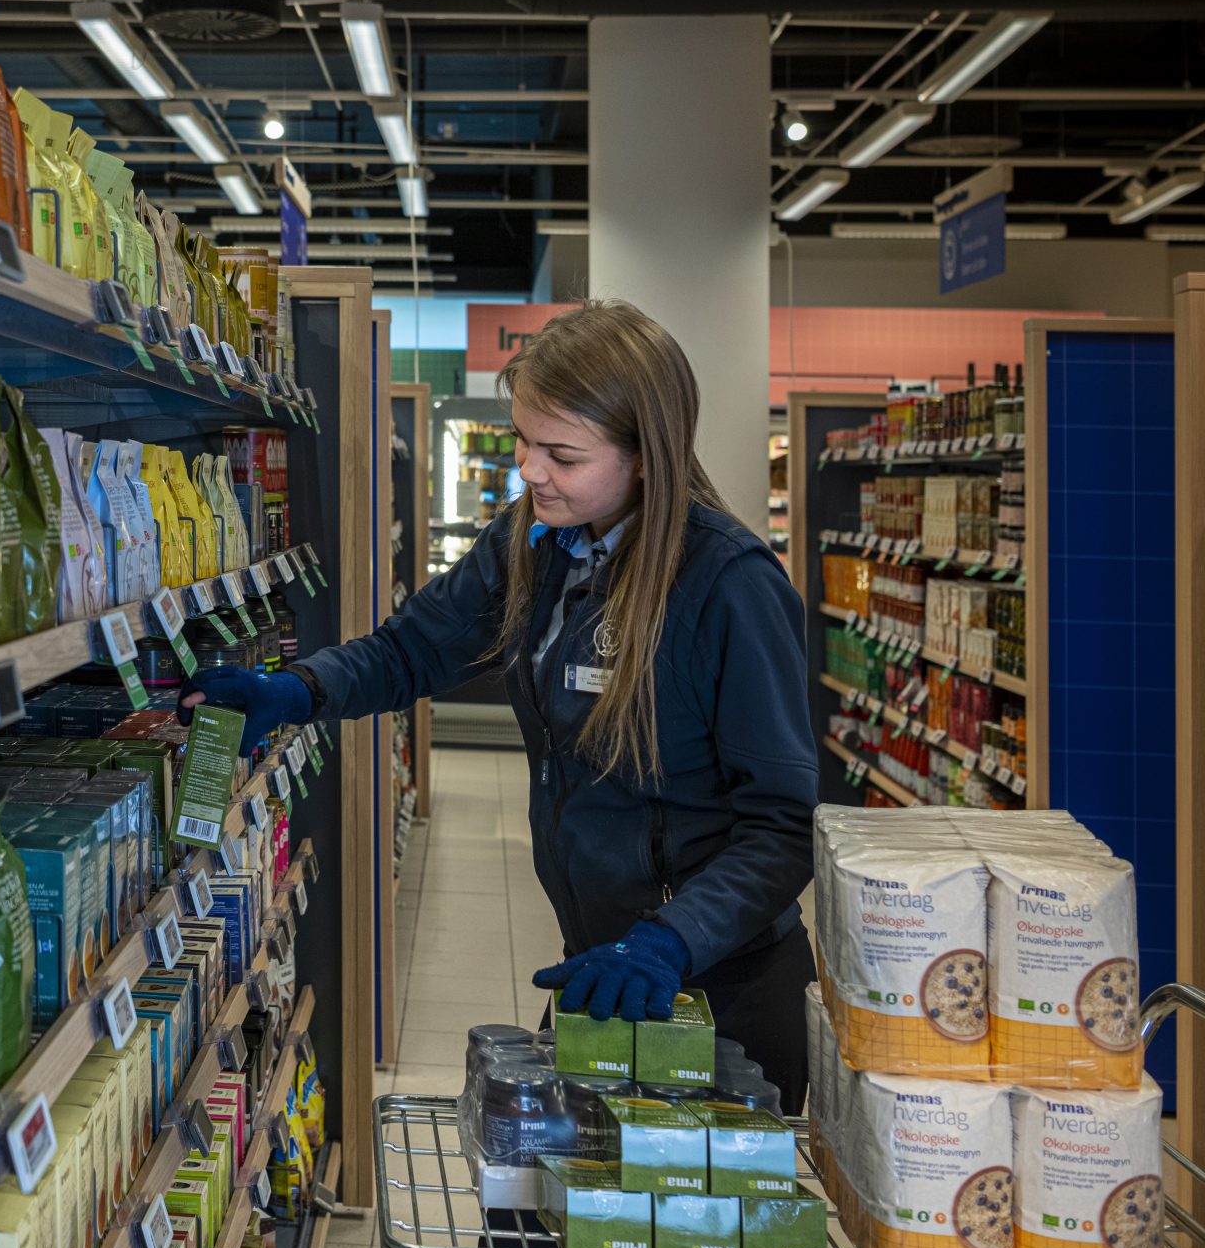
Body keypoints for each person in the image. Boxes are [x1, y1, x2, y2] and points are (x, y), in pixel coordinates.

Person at [180, 300, 819, 1106]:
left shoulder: (730, 585)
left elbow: (783, 825)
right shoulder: (533, 543)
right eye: (523, 440)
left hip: (717, 984)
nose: (530, 471)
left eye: (562, 454)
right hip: (599, 966)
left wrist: (670, 940)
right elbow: (411, 650)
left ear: (646, 456)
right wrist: (298, 688)